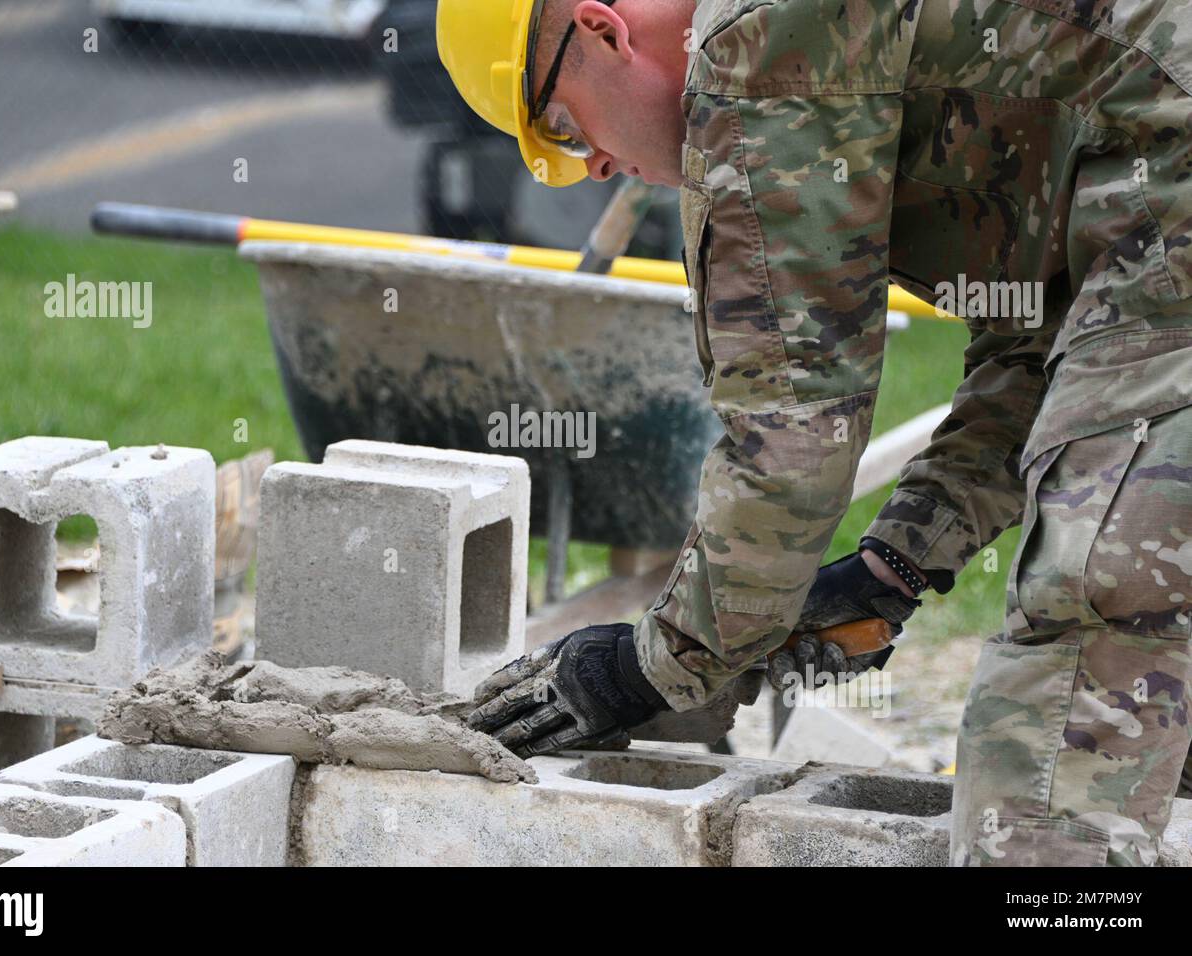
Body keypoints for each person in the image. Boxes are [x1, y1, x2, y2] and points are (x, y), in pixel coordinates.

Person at [437, 0, 1192, 865]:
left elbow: (794, 434)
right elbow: (1043, 339)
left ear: (603, 29)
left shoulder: (756, 44)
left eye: (565, 126)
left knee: (1095, 627)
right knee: (1161, 681)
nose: (599, 164)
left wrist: (652, 666)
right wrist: (895, 564)